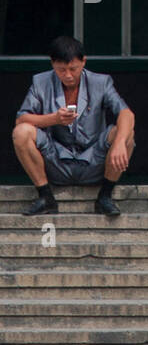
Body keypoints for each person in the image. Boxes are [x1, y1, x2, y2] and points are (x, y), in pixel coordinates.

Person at [12, 35, 135, 217]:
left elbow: (126, 113)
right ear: (52, 64)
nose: (68, 75)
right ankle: (46, 196)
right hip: (57, 160)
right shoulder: (41, 82)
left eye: (73, 69)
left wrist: (119, 142)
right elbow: (21, 119)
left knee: (125, 133)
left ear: (83, 62)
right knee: (21, 132)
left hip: (94, 159)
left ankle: (105, 196)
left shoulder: (101, 82)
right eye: (61, 70)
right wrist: (54, 119)